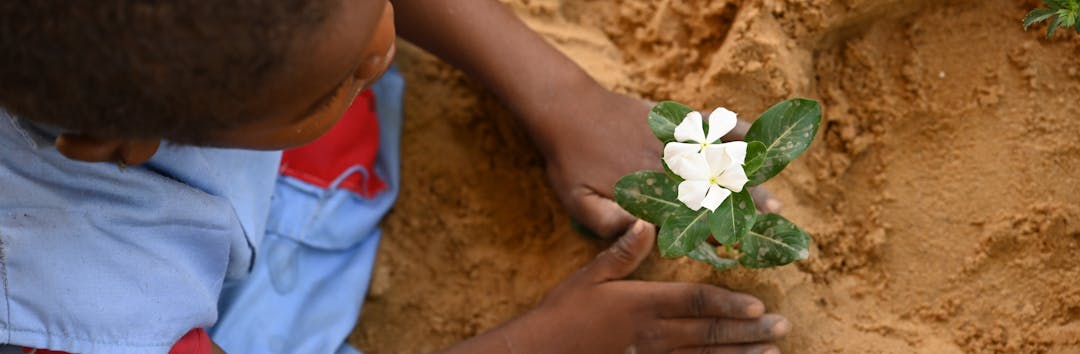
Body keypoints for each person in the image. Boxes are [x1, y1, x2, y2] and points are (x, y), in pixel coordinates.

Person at [0, 1, 790, 353]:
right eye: (332, 85)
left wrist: (559, 95)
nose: (383, 48)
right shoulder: (79, 317)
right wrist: (544, 341)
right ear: (119, 144)